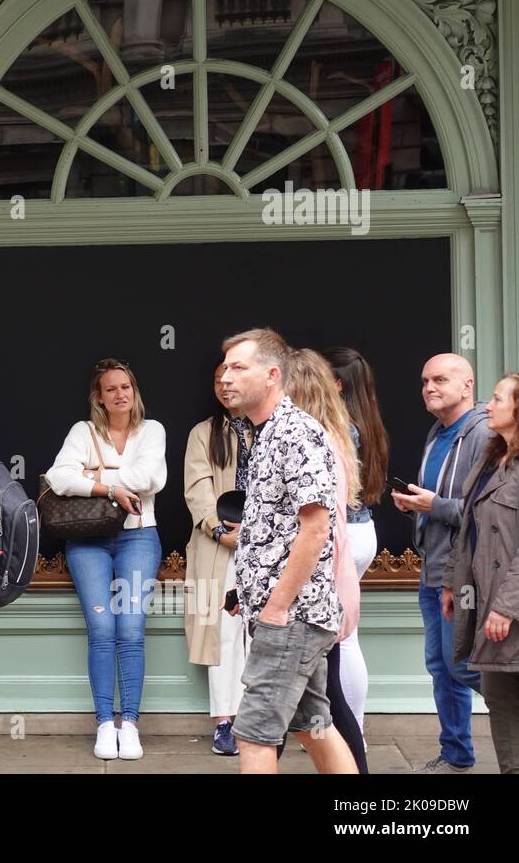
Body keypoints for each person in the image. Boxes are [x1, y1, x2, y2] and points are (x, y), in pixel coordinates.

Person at [219, 329, 357, 774]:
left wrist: (276, 607)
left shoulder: (296, 432)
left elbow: (316, 529)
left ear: (272, 374)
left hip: (291, 617)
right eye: (225, 367)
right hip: (285, 613)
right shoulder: (265, 433)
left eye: (239, 367)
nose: (226, 377)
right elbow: (277, 527)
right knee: (313, 726)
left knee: (253, 734)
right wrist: (250, 590)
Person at [46, 358, 167, 760]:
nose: (120, 394)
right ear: (99, 396)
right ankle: (104, 723)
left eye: (126, 387)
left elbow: (151, 478)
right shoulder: (83, 432)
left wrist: (93, 479)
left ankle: (129, 724)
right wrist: (112, 490)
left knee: (131, 628)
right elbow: (57, 479)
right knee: (101, 627)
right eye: (111, 388)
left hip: (138, 538)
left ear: (135, 392)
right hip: (88, 540)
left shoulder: (152, 430)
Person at [394, 353, 490, 772]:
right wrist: (417, 506)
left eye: (440, 380)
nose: (429, 388)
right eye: (424, 381)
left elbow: (489, 512)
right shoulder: (438, 433)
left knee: (464, 666)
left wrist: (434, 506)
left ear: (467, 385)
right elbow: (447, 502)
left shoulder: (485, 433)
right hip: (431, 569)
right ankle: (456, 754)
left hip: (465, 573)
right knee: (441, 667)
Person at [284, 348, 368, 774]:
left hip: (318, 591)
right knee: (306, 702)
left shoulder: (317, 442)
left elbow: (321, 531)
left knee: (322, 700)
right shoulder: (331, 435)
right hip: (325, 588)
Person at [443, 373, 519, 774]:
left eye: (498, 399)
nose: (488, 406)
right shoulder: (491, 459)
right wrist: (452, 583)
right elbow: (467, 529)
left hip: (508, 608)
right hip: (483, 600)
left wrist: (506, 607)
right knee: (496, 693)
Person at [182, 362, 251, 756]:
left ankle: (259, 720)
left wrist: (260, 535)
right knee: (224, 632)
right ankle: (225, 723)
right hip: (217, 545)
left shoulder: (276, 428)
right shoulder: (203, 433)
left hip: (270, 545)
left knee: (264, 633)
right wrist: (223, 532)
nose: (225, 386)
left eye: (234, 378)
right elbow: (198, 490)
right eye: (218, 380)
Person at [320, 346, 389, 736]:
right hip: (363, 529)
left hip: (344, 533)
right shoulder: (365, 418)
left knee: (340, 639)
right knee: (346, 635)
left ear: (337, 382)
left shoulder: (339, 426)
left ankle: (349, 730)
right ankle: (343, 728)